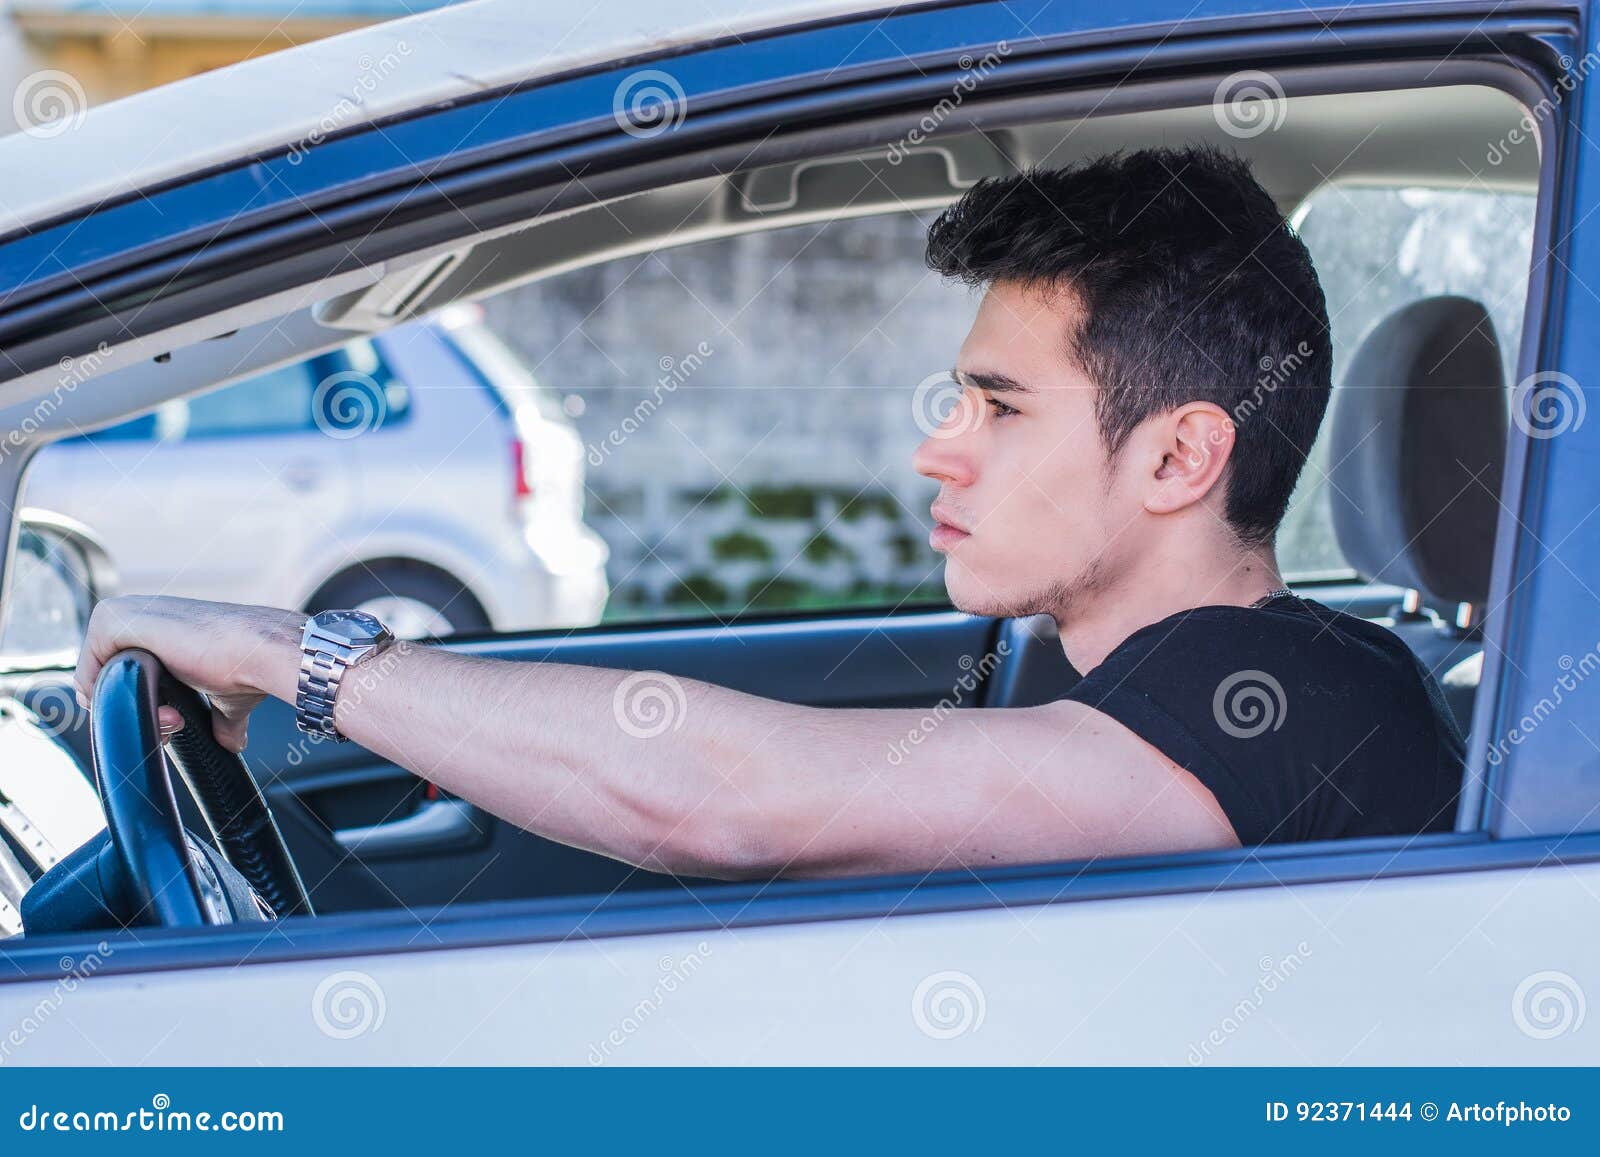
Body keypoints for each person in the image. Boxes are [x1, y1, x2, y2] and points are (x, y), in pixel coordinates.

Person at [71, 146, 1464, 881]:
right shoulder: (1111, 676)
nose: (938, 449)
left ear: (1178, 461)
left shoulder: (1302, 698)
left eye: (998, 404)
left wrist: (292, 654)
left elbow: (727, 800)